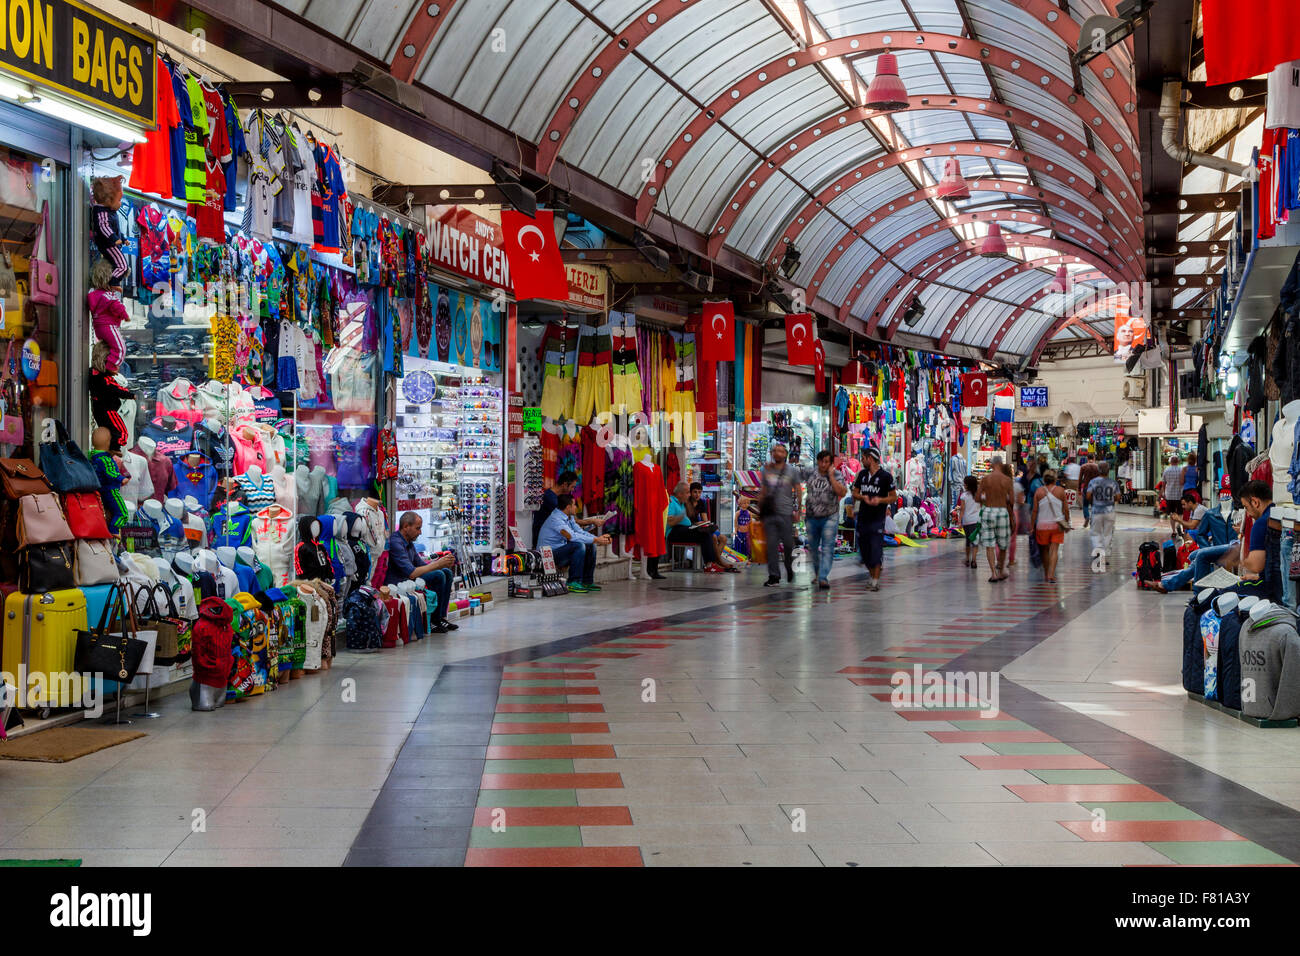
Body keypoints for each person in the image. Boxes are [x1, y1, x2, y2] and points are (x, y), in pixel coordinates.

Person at [385, 511, 458, 632]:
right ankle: (433, 621)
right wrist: (438, 564)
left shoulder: (409, 542)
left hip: (410, 579)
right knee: (438, 575)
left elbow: (422, 565)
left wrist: (443, 563)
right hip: (401, 583)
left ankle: (440, 618)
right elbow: (412, 573)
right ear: (406, 527)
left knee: (446, 572)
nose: (420, 532)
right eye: (417, 528)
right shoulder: (396, 542)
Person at [650, 481, 730, 576]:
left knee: (706, 532)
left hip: (684, 529)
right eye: (688, 493)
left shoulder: (682, 503)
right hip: (674, 531)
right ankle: (710, 564)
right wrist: (680, 517)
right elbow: (669, 522)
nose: (689, 495)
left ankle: (711, 563)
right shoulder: (672, 503)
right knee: (704, 533)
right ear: (680, 494)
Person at [537, 492, 612, 593]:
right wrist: (597, 539)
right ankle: (573, 582)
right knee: (578, 546)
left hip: (560, 550)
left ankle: (587, 581)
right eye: (575, 505)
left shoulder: (568, 517)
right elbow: (572, 537)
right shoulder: (556, 520)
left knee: (590, 545)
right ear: (568, 507)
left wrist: (598, 539)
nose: (576, 507)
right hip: (549, 555)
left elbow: (579, 532)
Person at [851, 445, 896, 591]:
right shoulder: (862, 475)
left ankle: (875, 581)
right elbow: (855, 493)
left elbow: (893, 497)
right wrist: (863, 497)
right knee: (864, 549)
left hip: (877, 518)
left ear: (870, 458)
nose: (862, 461)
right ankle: (872, 576)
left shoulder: (886, 477)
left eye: (863, 458)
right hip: (863, 516)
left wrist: (880, 501)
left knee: (876, 548)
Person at [804, 449, 848, 589]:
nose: (823, 464)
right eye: (821, 461)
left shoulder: (836, 474)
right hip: (811, 516)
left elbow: (842, 492)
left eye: (826, 462)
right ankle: (817, 573)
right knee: (813, 548)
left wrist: (831, 477)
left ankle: (823, 577)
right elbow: (793, 479)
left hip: (830, 516)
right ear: (817, 461)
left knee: (827, 547)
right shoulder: (810, 472)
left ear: (830, 463)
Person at [759, 443, 801, 586]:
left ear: (785, 454)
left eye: (781, 451)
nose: (777, 453)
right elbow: (763, 490)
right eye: (775, 451)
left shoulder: (792, 471)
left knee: (788, 544)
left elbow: (798, 490)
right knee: (771, 545)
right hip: (770, 513)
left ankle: (789, 566)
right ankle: (774, 576)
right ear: (772, 453)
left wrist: (798, 510)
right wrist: (760, 510)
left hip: (786, 513)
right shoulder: (766, 470)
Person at [532, 470, 605, 548]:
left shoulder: (558, 498)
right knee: (580, 546)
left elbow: (573, 524)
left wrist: (595, 538)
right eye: (572, 487)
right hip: (549, 541)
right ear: (565, 484)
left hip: (559, 536)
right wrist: (592, 521)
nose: (573, 490)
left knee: (590, 544)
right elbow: (573, 525)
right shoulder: (550, 499)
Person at [976, 455, 1015, 582]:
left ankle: (993, 573)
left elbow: (977, 498)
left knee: (989, 545)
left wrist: (986, 499)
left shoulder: (986, 479)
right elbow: (1012, 501)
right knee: (1003, 544)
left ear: (992, 465)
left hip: (988, 511)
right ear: (1001, 464)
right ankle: (1001, 569)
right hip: (1002, 511)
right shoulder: (1007, 480)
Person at [88, 426, 129, 534]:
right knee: (123, 514)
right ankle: (113, 532)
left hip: (99, 491)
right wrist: (122, 479)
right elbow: (110, 472)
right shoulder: (106, 459)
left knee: (105, 513)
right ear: (108, 442)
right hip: (111, 490)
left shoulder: (92, 458)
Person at [1031, 470, 1070, 583]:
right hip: (1056, 525)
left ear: (1044, 479)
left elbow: (1034, 511)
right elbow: (1066, 510)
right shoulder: (1061, 491)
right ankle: (1051, 575)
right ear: (1055, 479)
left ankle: (1046, 572)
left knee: (1044, 551)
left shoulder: (1038, 491)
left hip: (1042, 525)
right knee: (1054, 550)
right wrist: (1067, 522)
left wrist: (1032, 526)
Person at [1085, 461, 1118, 571]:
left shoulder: (1093, 482)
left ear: (1098, 470)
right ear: (1108, 470)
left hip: (1097, 511)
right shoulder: (1113, 482)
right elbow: (1118, 497)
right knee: (1108, 534)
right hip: (1110, 511)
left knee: (1096, 534)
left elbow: (1088, 495)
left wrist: (1094, 500)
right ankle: (1104, 555)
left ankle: (1099, 554)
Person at [956, 474, 980, 568]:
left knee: (968, 540)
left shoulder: (964, 496)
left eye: (965, 483)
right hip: (977, 521)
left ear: (968, 485)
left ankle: (967, 559)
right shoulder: (979, 494)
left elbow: (962, 509)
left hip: (967, 521)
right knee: (975, 541)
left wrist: (959, 521)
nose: (964, 485)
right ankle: (974, 560)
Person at [1078, 455, 1099, 527]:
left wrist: (1078, 489)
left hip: (1086, 487)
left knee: (1085, 505)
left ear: (1087, 458)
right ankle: (1092, 521)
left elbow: (1080, 479)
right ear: (1094, 458)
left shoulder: (1083, 466)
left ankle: (1087, 517)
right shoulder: (1097, 467)